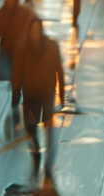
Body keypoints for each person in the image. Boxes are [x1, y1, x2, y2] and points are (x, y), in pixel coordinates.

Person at [13, 16, 65, 177]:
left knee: (48, 128)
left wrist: (61, 95)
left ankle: (48, 165)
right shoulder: (22, 49)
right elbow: (18, 74)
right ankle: (36, 156)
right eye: (32, 31)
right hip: (30, 96)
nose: (34, 34)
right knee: (31, 130)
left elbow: (59, 72)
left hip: (46, 95)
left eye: (37, 30)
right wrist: (15, 98)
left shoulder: (51, 46)